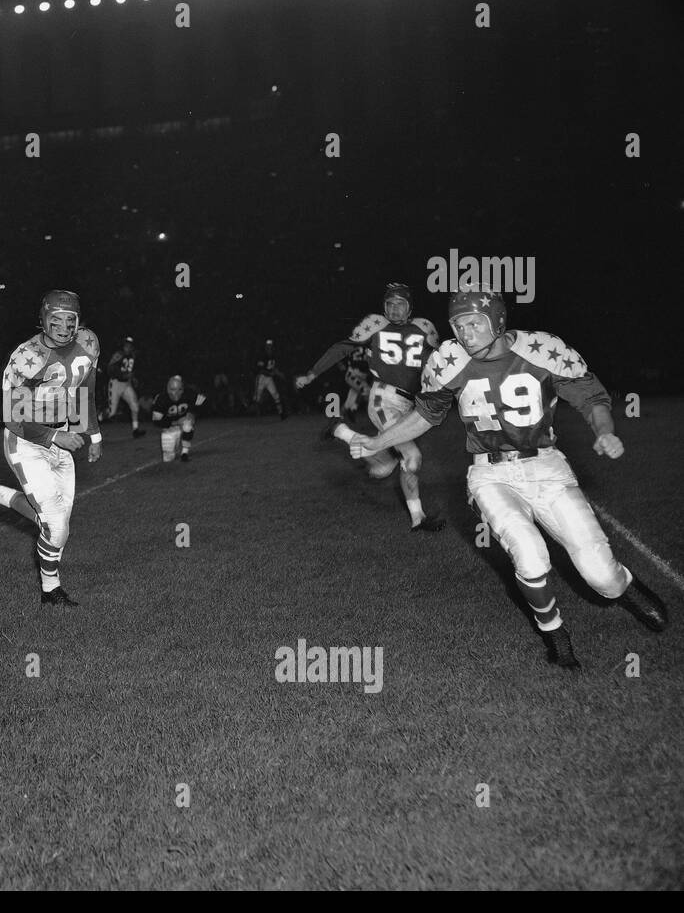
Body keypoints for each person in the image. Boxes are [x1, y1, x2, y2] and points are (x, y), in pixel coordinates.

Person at [349, 288, 668, 670]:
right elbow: (425, 415)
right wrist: (377, 441)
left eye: (474, 324)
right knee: (530, 556)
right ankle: (554, 632)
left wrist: (604, 430)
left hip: (546, 466)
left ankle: (625, 587)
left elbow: (589, 395)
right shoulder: (448, 360)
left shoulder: (540, 349)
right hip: (490, 472)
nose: (465, 334)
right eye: (458, 325)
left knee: (601, 577)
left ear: (498, 321)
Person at [0, 289, 101, 606]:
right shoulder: (27, 357)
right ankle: (51, 591)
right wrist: (53, 438)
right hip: (25, 441)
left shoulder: (88, 342)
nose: (64, 327)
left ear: (79, 322)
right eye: (56, 319)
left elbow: (85, 389)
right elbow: (9, 415)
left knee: (55, 522)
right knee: (55, 524)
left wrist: (92, 433)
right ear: (42, 320)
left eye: (70, 320)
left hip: (62, 435)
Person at [297, 283, 443, 531]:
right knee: (412, 456)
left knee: (384, 468)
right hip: (383, 399)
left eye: (400, 304)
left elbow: (440, 361)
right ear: (383, 307)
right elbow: (342, 347)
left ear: (410, 308)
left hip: (410, 404)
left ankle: (341, 430)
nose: (395, 310)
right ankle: (419, 519)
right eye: (390, 304)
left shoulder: (424, 327)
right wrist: (312, 374)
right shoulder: (375, 324)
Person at [151, 375, 206, 462]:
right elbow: (157, 421)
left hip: (183, 423)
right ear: (167, 389)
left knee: (188, 424)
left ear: (183, 389)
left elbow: (202, 400)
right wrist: (175, 422)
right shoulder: (161, 399)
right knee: (168, 458)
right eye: (173, 389)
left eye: (179, 389)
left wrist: (192, 413)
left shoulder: (189, 394)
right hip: (169, 428)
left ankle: (184, 453)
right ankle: (174, 449)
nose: (176, 393)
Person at [106, 336, 144, 437]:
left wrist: (133, 378)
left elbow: (132, 370)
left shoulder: (133, 355)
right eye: (126, 345)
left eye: (130, 345)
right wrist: (122, 375)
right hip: (116, 384)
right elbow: (110, 369)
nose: (128, 347)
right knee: (111, 413)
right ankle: (94, 421)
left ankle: (135, 429)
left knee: (135, 405)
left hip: (126, 384)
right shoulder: (119, 355)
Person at [253, 340, 288, 420]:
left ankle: (281, 413)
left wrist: (279, 374)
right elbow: (259, 369)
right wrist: (270, 373)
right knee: (257, 397)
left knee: (276, 395)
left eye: (270, 346)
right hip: (261, 377)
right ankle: (256, 414)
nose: (269, 348)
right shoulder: (262, 356)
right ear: (265, 347)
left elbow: (273, 368)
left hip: (269, 378)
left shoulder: (273, 356)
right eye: (268, 346)